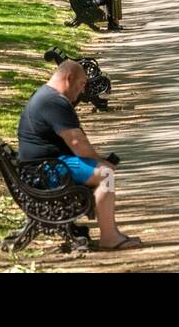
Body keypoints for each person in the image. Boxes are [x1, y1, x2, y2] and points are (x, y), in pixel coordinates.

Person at [17, 61, 139, 250]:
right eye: (82, 84)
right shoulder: (54, 102)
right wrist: (102, 163)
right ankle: (110, 237)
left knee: (104, 170)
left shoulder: (46, 97)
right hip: (47, 169)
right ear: (69, 78)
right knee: (106, 174)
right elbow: (77, 144)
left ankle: (112, 233)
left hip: (39, 168)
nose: (82, 91)